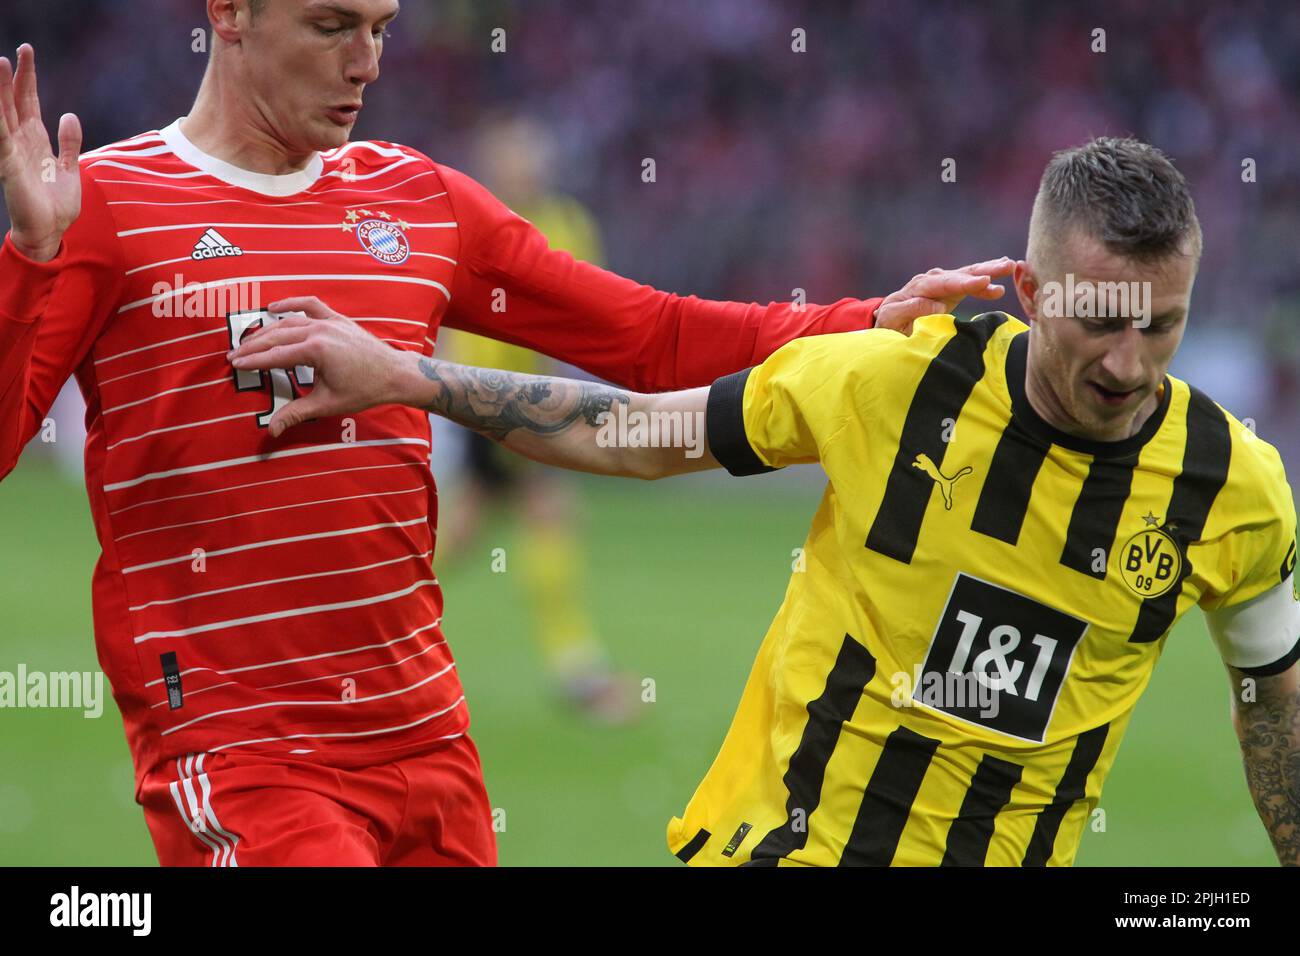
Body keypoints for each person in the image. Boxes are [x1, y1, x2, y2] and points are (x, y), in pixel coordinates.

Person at [0, 0, 1011, 867]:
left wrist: (859, 318)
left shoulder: (418, 200)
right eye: (331, 25)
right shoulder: (106, 206)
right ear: (229, 13)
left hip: (427, 735)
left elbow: (647, 334)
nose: (368, 60)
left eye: (383, 26)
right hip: (244, 745)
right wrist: (29, 264)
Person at [343, 137, 1300, 866]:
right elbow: (626, 434)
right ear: (1033, 290)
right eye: (1097, 320)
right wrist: (408, 377)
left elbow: (1273, 710)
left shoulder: (1236, 488)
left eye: (1162, 324)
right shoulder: (890, 384)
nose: (1129, 362)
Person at [436, 116, 640, 724]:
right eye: (508, 158)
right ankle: (577, 671)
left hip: (529, 398)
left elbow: (591, 305)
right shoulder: (470, 222)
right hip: (488, 403)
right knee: (547, 514)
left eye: (527, 158)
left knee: (463, 533)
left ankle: (365, 627)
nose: (519, 169)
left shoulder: (564, 222)